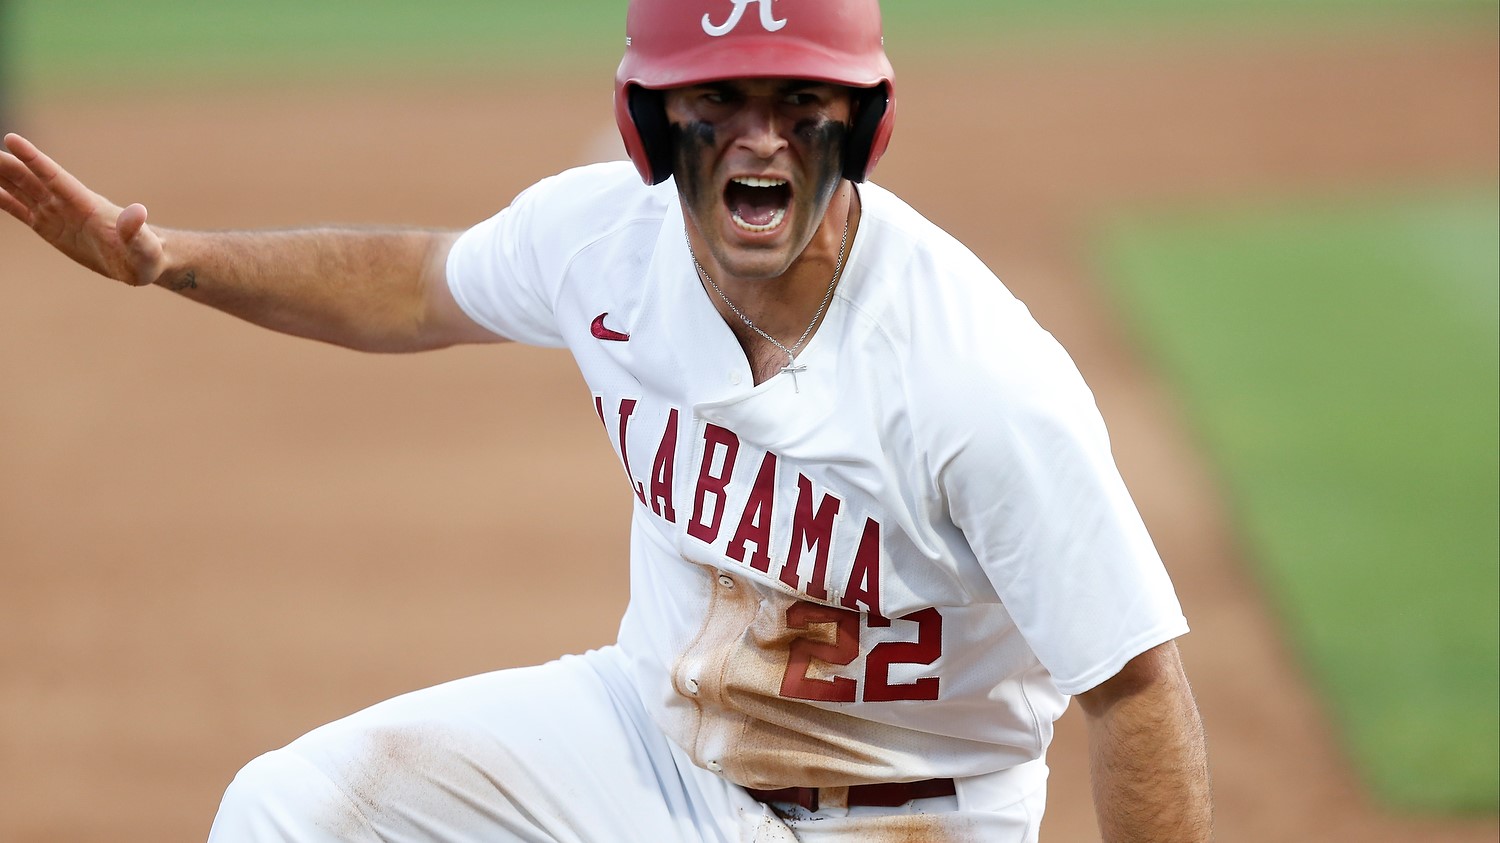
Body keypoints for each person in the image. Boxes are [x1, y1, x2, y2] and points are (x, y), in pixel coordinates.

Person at [0, 0, 1212, 840]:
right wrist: (171, 259)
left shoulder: (979, 381)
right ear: (648, 125)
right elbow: (417, 282)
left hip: (909, 817)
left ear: (862, 125)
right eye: (719, 101)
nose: (761, 135)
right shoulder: (600, 245)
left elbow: (1137, 691)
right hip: (650, 747)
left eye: (801, 102)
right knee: (286, 813)